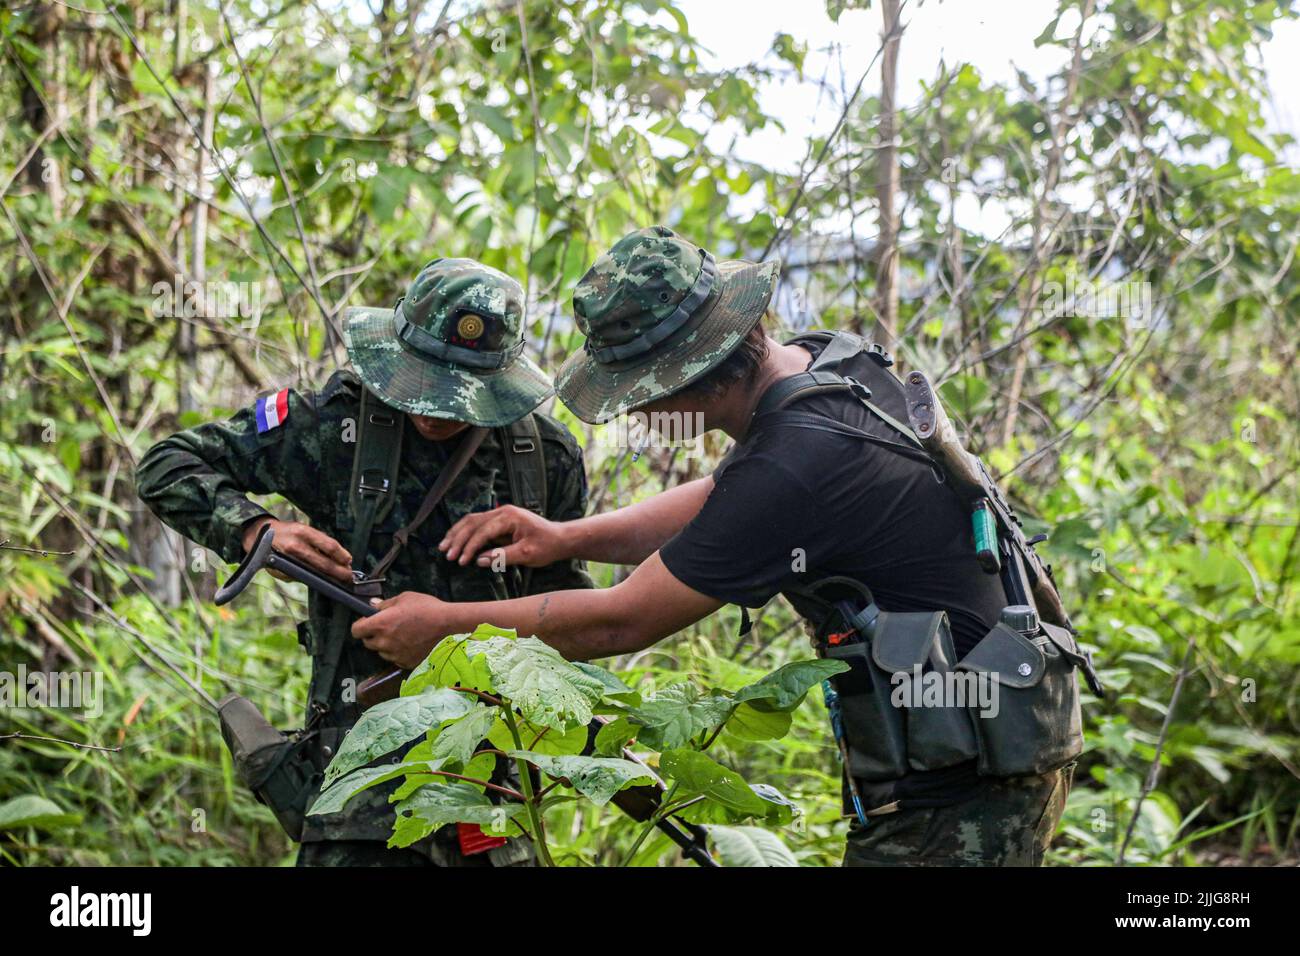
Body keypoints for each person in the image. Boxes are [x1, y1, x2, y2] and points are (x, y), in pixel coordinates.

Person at [354, 226, 1092, 867]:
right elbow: (727, 496)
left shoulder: (795, 464)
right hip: (985, 728)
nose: (639, 408)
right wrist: (566, 536)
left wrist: (441, 631)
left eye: (639, 388)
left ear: (689, 379)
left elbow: (622, 620)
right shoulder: (815, 369)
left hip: (966, 771)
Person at [136, 258, 592, 866]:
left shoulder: (544, 458)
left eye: (461, 394)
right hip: (359, 794)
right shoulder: (333, 425)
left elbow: (575, 623)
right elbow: (167, 465)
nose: (436, 410)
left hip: (491, 797)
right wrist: (255, 529)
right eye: (423, 383)